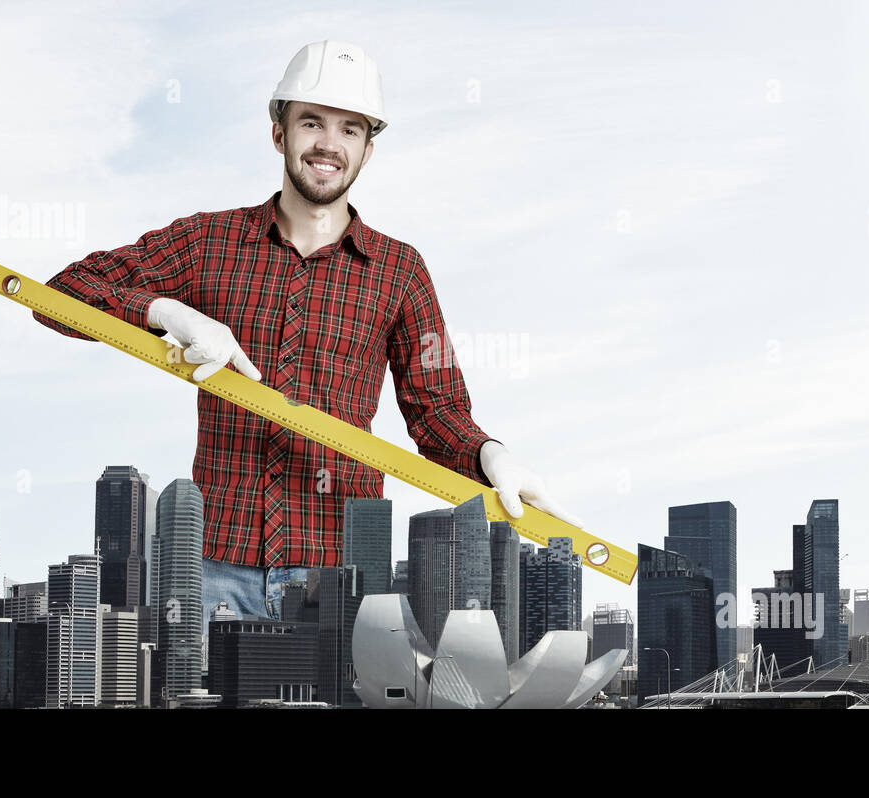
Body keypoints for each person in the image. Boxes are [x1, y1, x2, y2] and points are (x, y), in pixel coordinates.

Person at [33, 40, 581, 628]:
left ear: (368, 151)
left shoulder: (402, 271)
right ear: (279, 132)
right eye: (312, 122)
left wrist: (490, 453)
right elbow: (57, 296)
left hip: (343, 574)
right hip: (214, 572)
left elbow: (438, 409)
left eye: (349, 129)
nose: (328, 143)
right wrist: (162, 310)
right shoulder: (205, 242)